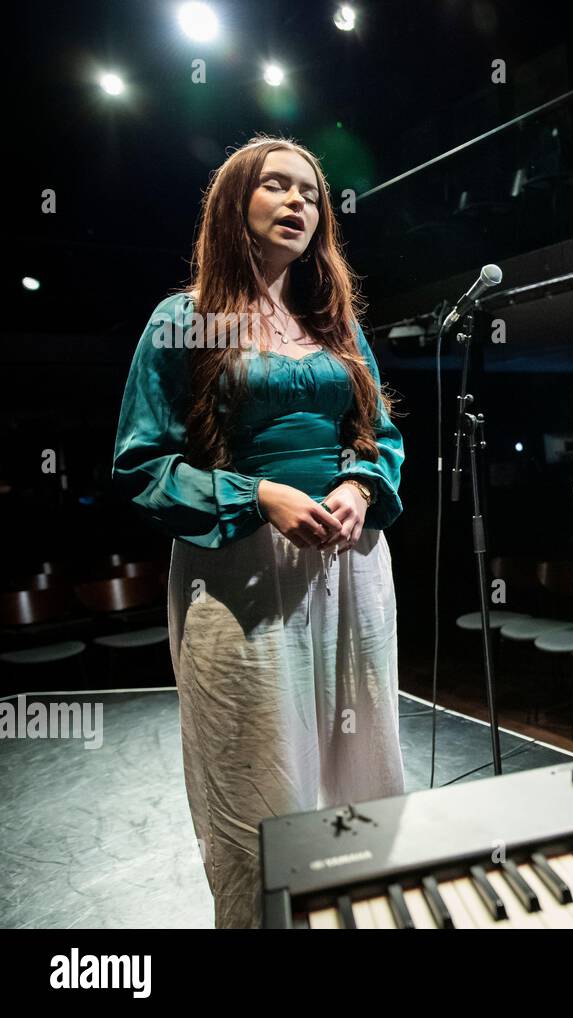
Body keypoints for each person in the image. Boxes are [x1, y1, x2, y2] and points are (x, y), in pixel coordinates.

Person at [112, 135, 407, 928]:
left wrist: (359, 482)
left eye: (310, 193)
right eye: (276, 186)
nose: (298, 203)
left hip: (353, 570)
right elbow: (143, 468)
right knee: (260, 788)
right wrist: (258, 494)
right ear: (233, 204)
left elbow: (383, 436)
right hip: (240, 574)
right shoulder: (185, 321)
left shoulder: (333, 322)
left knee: (362, 778)